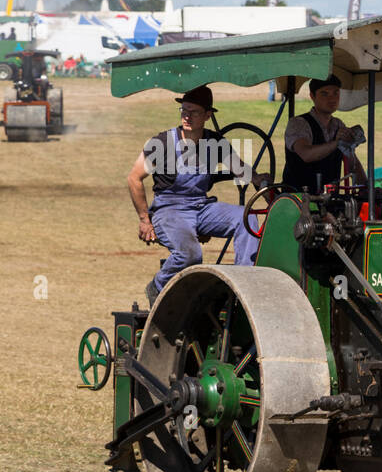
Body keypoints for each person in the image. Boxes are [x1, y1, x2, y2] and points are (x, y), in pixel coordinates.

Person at [127, 85, 265, 305]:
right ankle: (158, 285)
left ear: (208, 115)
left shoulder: (215, 142)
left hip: (201, 207)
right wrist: (145, 220)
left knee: (246, 217)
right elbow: (134, 178)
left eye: (194, 112)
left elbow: (240, 169)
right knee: (190, 255)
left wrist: (259, 180)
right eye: (184, 110)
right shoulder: (162, 142)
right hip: (169, 211)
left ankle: (244, 285)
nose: (187, 116)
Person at [281, 75, 366, 194]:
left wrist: (367, 188)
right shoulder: (299, 123)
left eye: (336, 93)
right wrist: (336, 143)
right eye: (324, 94)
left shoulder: (338, 125)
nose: (332, 99)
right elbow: (306, 154)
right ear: (312, 96)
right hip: (297, 201)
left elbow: (352, 164)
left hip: (330, 201)